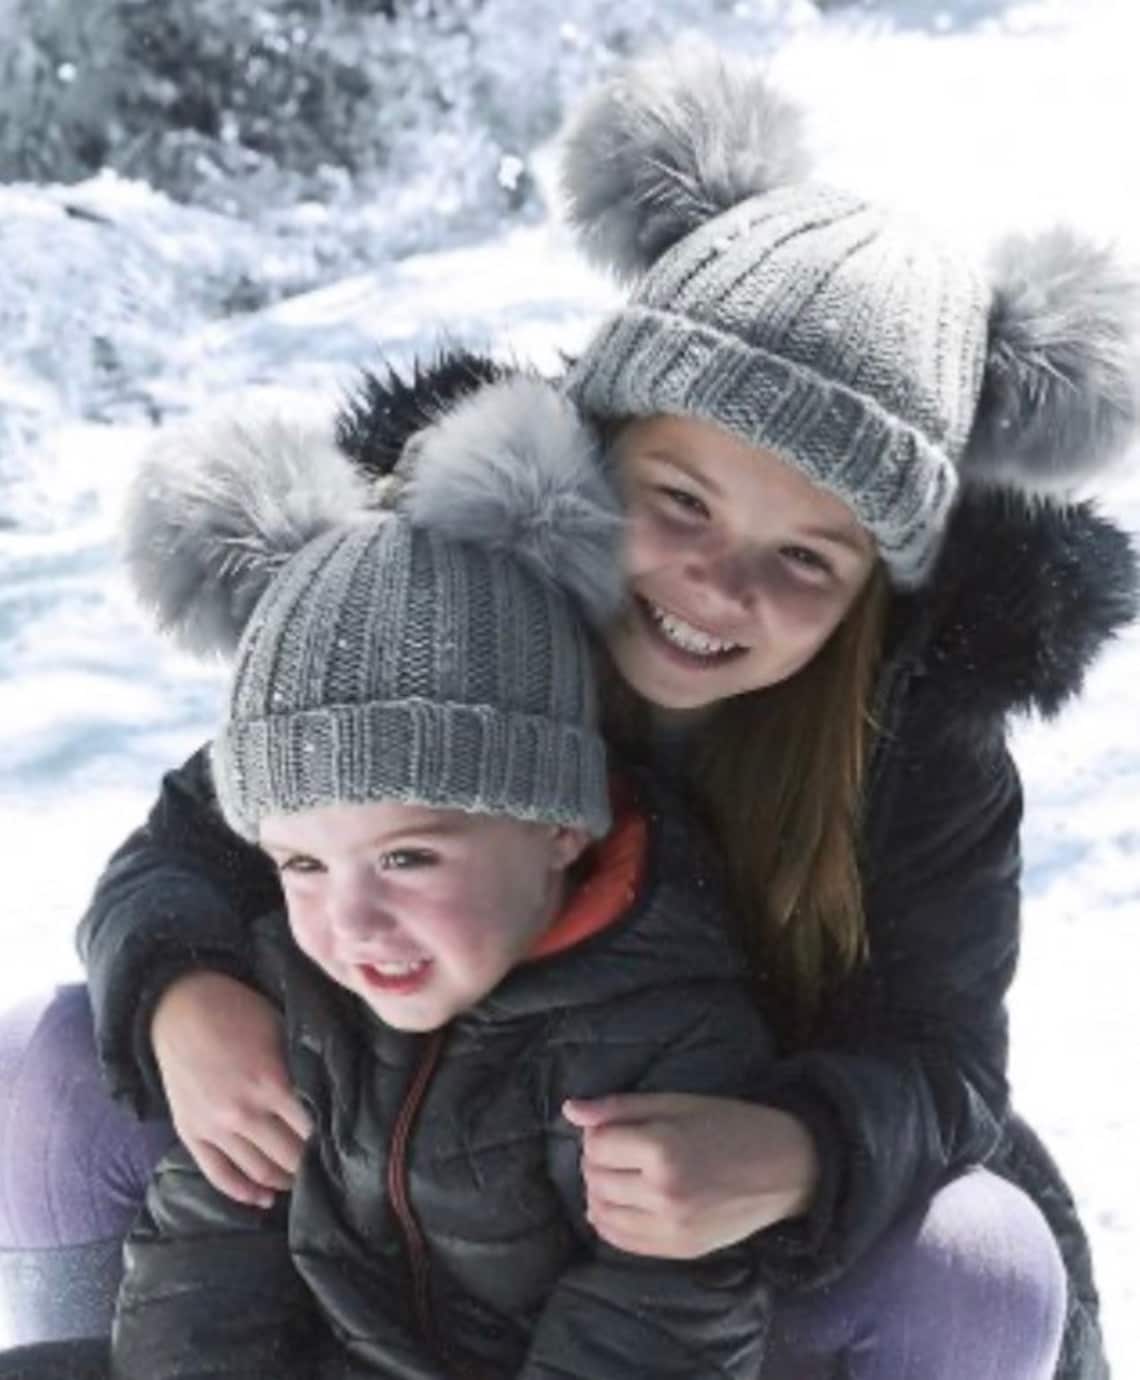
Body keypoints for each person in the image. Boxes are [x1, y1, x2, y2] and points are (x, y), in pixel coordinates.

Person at [1, 40, 1137, 1380]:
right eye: (684, 502)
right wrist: (182, 990)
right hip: (384, 1196)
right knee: (69, 1050)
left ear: (875, 594)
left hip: (679, 1251)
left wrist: (798, 1149)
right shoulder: (446, 596)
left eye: (806, 559)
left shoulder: (914, 748)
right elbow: (210, 825)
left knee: (981, 1258)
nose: (718, 583)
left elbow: (941, 1062)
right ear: (598, 454)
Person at [0, 376, 774, 1378]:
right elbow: (206, 1265)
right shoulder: (295, 982)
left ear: (556, 827)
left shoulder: (666, 1040)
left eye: (409, 856)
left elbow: (653, 1330)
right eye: (301, 863)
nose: (350, 918)